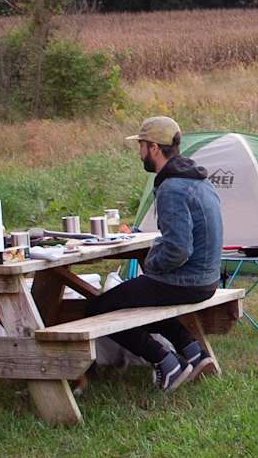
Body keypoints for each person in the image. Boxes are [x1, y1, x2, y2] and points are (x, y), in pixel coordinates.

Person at [69, 116, 222, 391]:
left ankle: (165, 362)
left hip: (188, 282)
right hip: (207, 278)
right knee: (139, 297)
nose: (139, 152)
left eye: (140, 146)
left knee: (98, 308)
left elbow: (178, 249)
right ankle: (192, 351)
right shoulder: (198, 179)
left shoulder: (172, 187)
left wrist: (151, 264)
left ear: (153, 147)